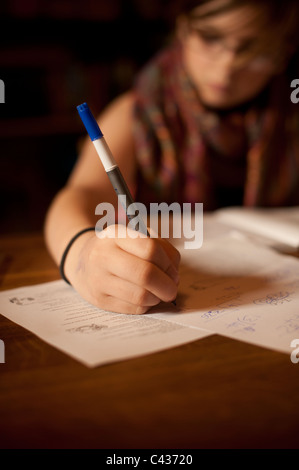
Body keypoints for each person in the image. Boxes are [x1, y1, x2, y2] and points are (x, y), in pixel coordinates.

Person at [44, 0, 299, 315]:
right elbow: (79, 196)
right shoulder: (135, 114)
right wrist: (81, 257)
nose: (227, 66)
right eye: (211, 37)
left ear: (283, 49)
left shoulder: (292, 114)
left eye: (252, 48)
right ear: (183, 28)